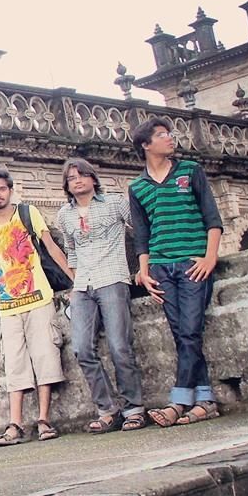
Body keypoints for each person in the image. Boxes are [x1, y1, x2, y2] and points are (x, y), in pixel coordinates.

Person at [129, 117, 223, 426]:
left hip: (192, 263)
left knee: (190, 329)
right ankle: (205, 400)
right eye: (162, 135)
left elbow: (212, 218)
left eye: (169, 133)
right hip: (160, 267)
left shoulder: (190, 171)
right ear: (146, 145)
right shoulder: (138, 187)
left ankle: (179, 400)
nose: (170, 138)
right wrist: (144, 271)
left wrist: (210, 258)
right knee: (181, 332)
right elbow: (142, 235)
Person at [0, 169, 74, 446]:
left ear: (10, 190)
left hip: (38, 297)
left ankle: (43, 420)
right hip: (9, 305)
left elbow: (51, 248)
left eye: (2, 189)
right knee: (15, 363)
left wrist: (74, 279)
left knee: (45, 357)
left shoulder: (28, 214)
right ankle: (15, 424)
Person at [57, 158, 145, 433]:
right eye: (72, 178)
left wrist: (145, 266)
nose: (77, 181)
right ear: (67, 185)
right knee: (82, 348)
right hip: (83, 285)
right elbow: (71, 251)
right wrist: (75, 284)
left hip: (112, 278)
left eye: (82, 175)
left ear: (93, 178)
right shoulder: (64, 215)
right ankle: (108, 410)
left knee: (120, 346)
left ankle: (134, 409)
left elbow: (141, 230)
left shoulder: (115, 203)